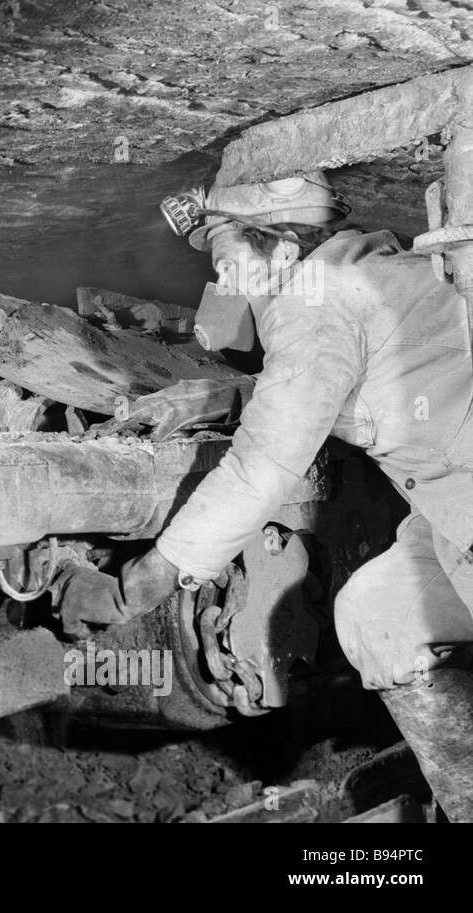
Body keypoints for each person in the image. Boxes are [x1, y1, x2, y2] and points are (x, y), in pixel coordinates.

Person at [51, 171, 473, 821]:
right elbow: (329, 381)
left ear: (279, 246)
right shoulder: (359, 267)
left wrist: (140, 583)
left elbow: (263, 465)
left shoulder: (315, 303)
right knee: (375, 611)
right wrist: (210, 396)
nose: (225, 282)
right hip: (449, 509)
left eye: (228, 259)